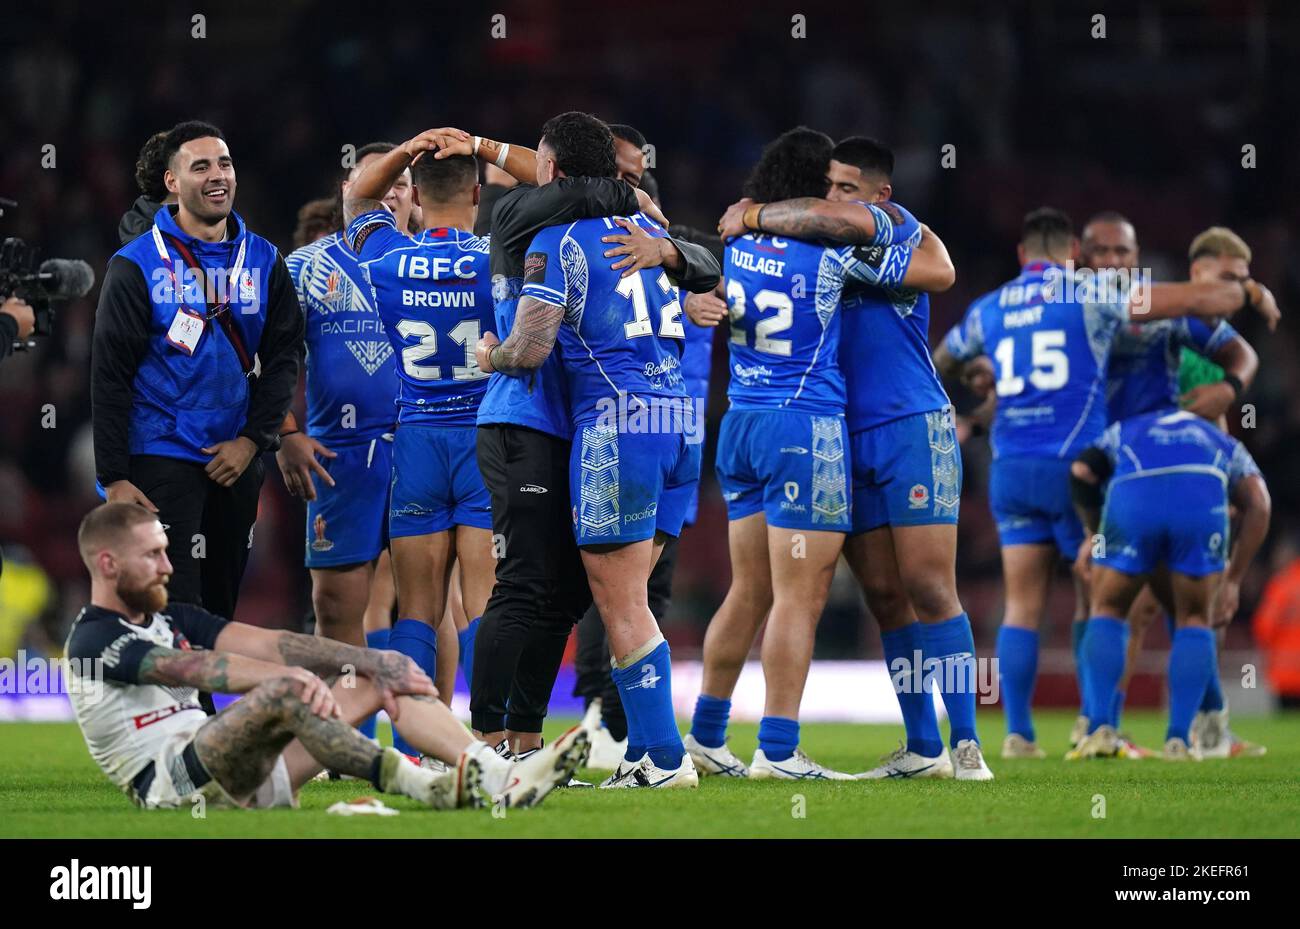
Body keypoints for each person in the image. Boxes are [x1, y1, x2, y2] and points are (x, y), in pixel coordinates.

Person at [934, 207, 1279, 758]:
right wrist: (1249, 290)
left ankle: (1131, 727)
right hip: (1093, 469)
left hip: (1118, 469)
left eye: (1124, 252)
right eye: (1103, 252)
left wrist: (1230, 386)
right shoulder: (1089, 301)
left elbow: (1234, 344)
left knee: (1132, 600)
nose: (1114, 261)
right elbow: (1206, 298)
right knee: (1127, 599)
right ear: (1078, 255)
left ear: (1136, 259)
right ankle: (1112, 726)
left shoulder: (1019, 307)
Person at [443, 116, 716, 758]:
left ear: (554, 169)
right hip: (620, 418)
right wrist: (656, 226)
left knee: (590, 597)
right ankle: (500, 741)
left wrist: (490, 355)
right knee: (550, 589)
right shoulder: (630, 228)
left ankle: (611, 748)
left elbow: (533, 345)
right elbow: (700, 266)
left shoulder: (571, 237)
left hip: (599, 421)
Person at [64, 502, 587, 810]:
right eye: (152, 555)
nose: (166, 565)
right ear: (108, 564)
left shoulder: (173, 617)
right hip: (172, 783)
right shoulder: (91, 640)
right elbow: (194, 668)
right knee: (288, 687)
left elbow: (274, 642)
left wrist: (368, 662)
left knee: (379, 679)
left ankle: (495, 775)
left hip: (245, 774)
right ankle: (426, 787)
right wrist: (289, 681)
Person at [91, 120, 305, 622]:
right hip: (159, 453)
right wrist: (114, 477)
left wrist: (253, 442)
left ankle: (201, 702)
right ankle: (187, 702)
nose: (217, 175)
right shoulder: (136, 264)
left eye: (225, 163)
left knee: (220, 601)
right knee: (175, 600)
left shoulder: (266, 259)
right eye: (201, 165)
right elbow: (109, 375)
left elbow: (283, 359)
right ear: (171, 182)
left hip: (234, 457)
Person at [343, 133, 499, 761]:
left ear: (416, 191)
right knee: (484, 601)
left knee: (420, 606)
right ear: (478, 194)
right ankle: (495, 740)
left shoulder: (385, 256)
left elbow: (358, 197)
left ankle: (414, 742)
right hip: (484, 440)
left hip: (415, 443)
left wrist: (405, 150)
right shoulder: (498, 256)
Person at [1086, 219, 1262, 756]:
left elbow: (1221, 411)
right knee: (1151, 607)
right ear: (1196, 276)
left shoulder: (1192, 334)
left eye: (1240, 280)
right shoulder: (1171, 330)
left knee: (1163, 607)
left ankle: (1165, 726)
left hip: (1167, 484)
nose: (1229, 292)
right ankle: (1120, 726)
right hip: (1131, 471)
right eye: (1224, 280)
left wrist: (1229, 395)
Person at [1067, 410, 1270, 759]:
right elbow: (1260, 504)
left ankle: (1098, 727)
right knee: (1194, 618)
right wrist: (1234, 580)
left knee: (1109, 609)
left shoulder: (1125, 428)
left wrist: (1094, 531)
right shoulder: (1220, 439)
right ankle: (1179, 738)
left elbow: (1081, 472)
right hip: (1199, 502)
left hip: (1133, 500)